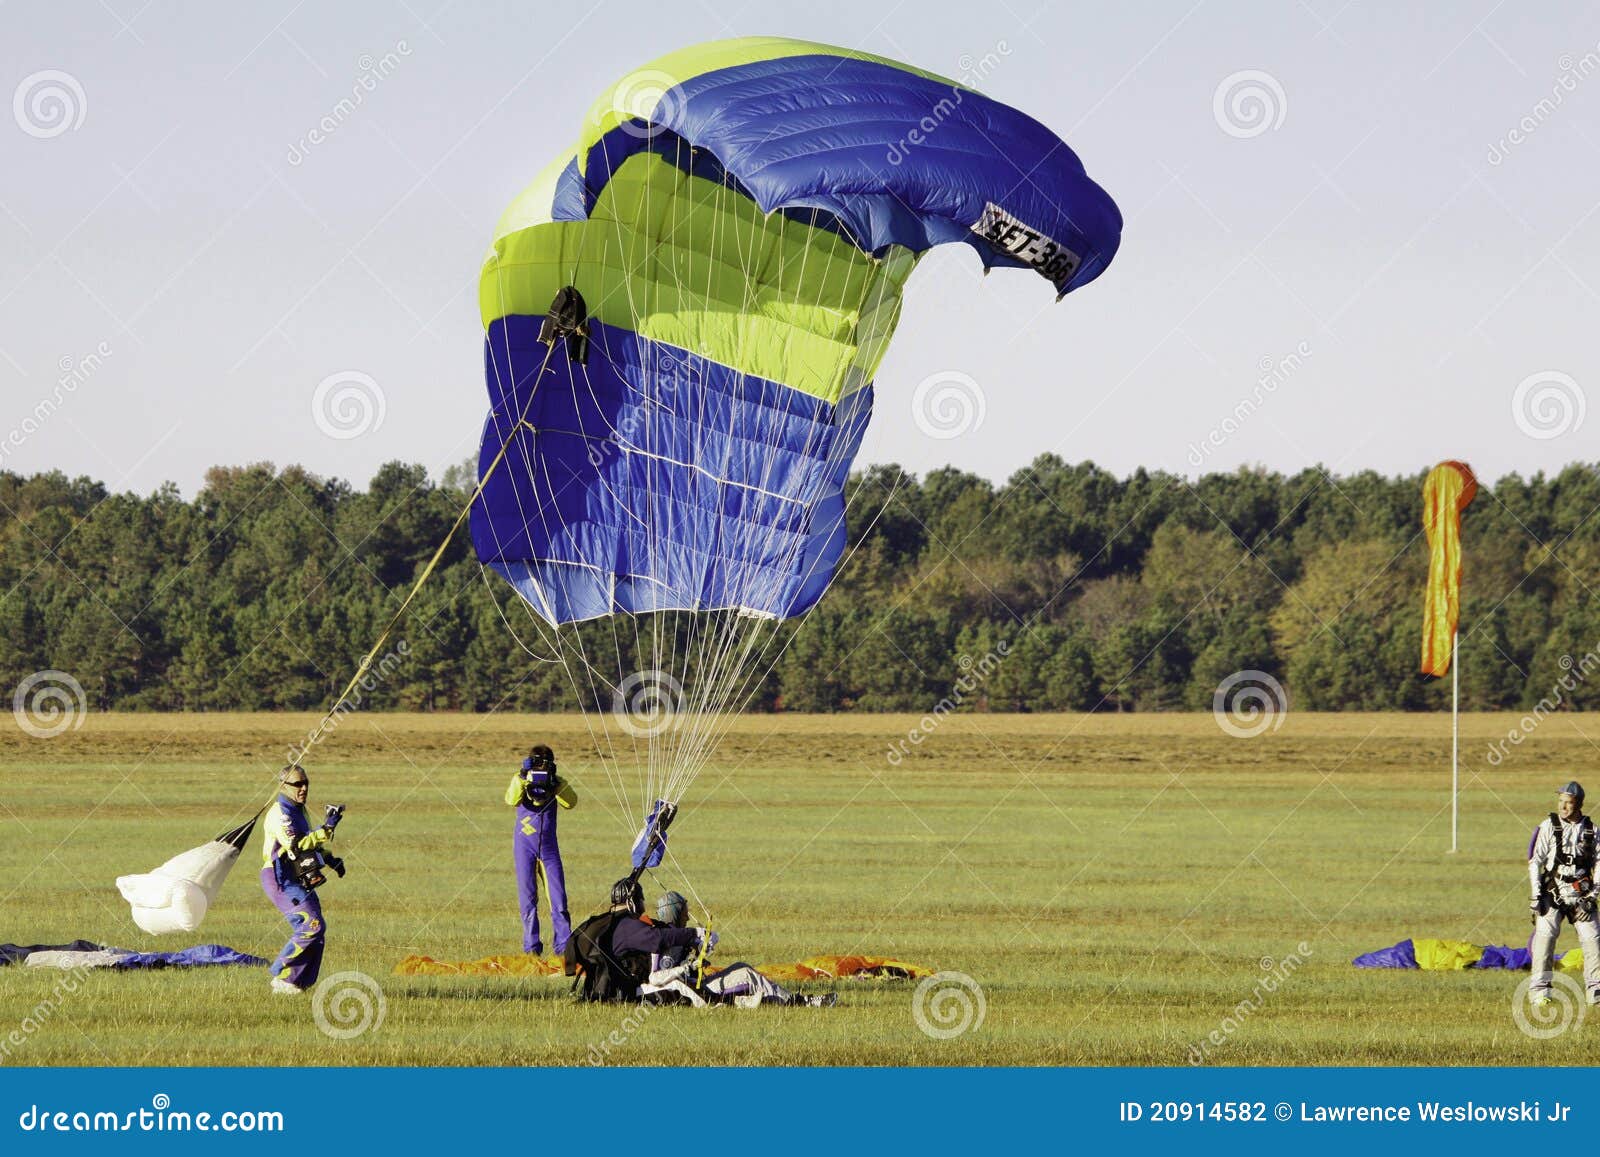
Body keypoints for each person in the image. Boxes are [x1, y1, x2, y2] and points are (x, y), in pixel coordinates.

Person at [643, 890, 836, 1009]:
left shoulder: (676, 936)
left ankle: (774, 1000)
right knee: (747, 974)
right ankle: (801, 1002)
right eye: (684, 913)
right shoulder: (667, 942)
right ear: (675, 914)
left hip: (698, 985)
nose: (687, 917)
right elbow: (657, 976)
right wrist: (689, 967)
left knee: (742, 967)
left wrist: (703, 949)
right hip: (696, 991)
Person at [260, 765, 345, 995]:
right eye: (298, 784)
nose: (304, 788)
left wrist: (329, 859)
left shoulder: (300, 810)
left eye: (306, 783)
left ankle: (297, 983)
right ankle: (281, 975)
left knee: (318, 928)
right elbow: (296, 844)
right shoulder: (280, 813)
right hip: (280, 878)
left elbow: (311, 844)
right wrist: (326, 828)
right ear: (283, 786)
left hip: (299, 877)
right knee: (311, 926)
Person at [564, 879, 707, 1002]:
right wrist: (694, 933)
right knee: (679, 988)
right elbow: (658, 938)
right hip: (621, 994)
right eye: (641, 900)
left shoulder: (603, 922)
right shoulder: (627, 925)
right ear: (633, 901)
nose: (642, 906)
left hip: (598, 990)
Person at [1528, 780, 1600, 1006]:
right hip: (1552, 893)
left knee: (1593, 940)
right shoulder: (1547, 827)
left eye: (1568, 803)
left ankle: (1596, 991)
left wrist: (1592, 897)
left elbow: (1599, 863)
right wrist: (1536, 895)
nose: (1563, 807)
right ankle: (1540, 992)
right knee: (1545, 939)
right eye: (1560, 802)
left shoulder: (1592, 830)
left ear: (1578, 804)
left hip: (1582, 896)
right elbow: (1534, 861)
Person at [506, 744, 577, 956]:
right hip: (524, 848)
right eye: (537, 763)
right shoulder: (520, 780)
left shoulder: (556, 784)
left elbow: (571, 802)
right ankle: (531, 949)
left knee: (559, 900)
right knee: (527, 901)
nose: (540, 769)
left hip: (549, 850)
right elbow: (511, 800)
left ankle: (563, 949)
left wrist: (556, 782)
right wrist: (522, 776)